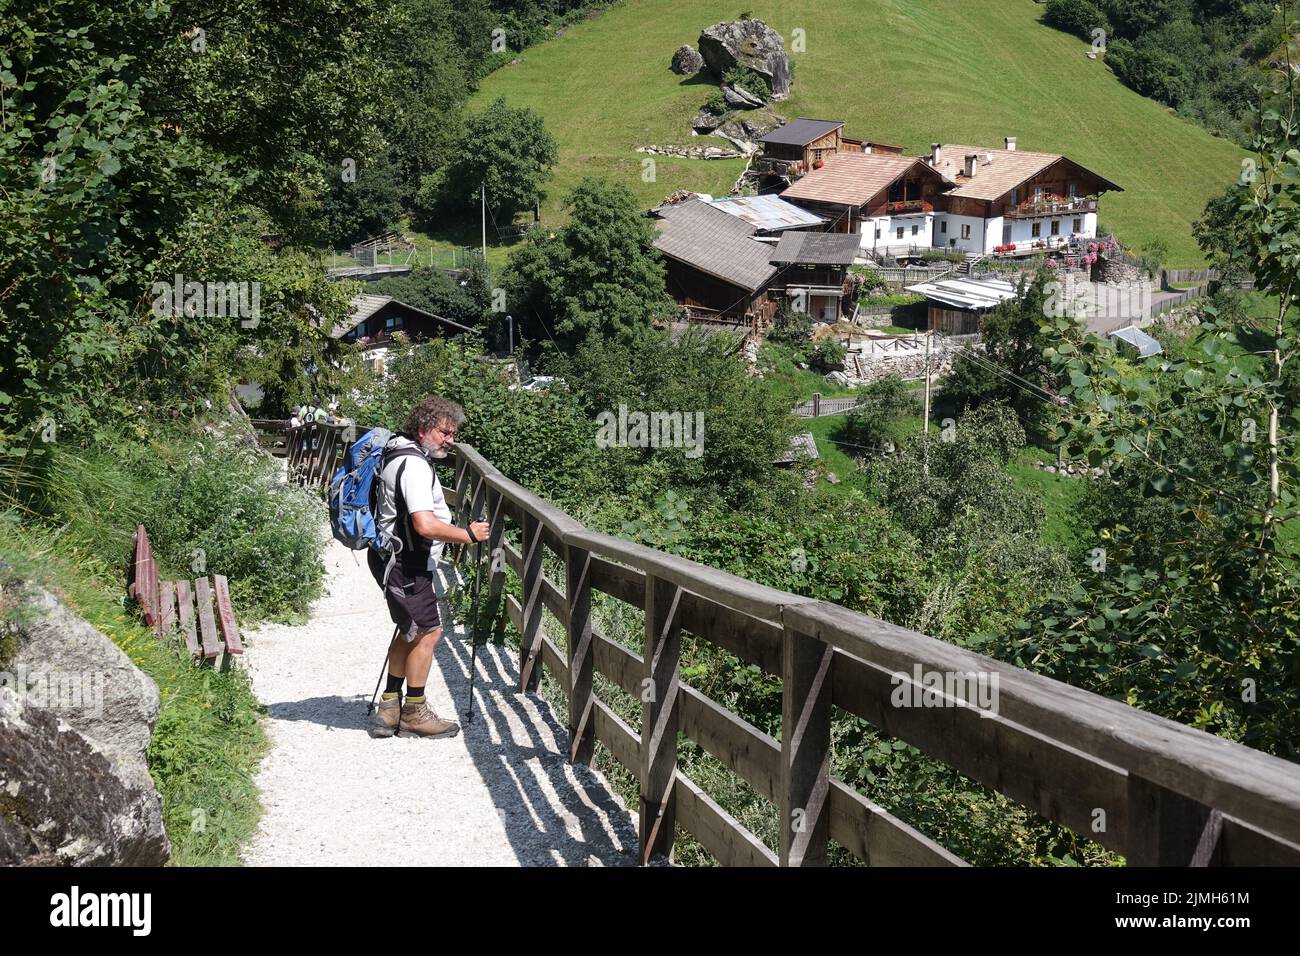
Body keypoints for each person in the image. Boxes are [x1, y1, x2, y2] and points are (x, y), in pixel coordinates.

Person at [368, 396, 488, 739]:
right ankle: (414, 713)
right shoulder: (416, 466)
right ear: (423, 429)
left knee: (409, 629)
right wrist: (467, 535)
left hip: (391, 557)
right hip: (407, 562)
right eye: (444, 433)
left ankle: (389, 709)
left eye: (452, 434)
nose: (450, 440)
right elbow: (424, 524)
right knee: (429, 632)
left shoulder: (397, 450)